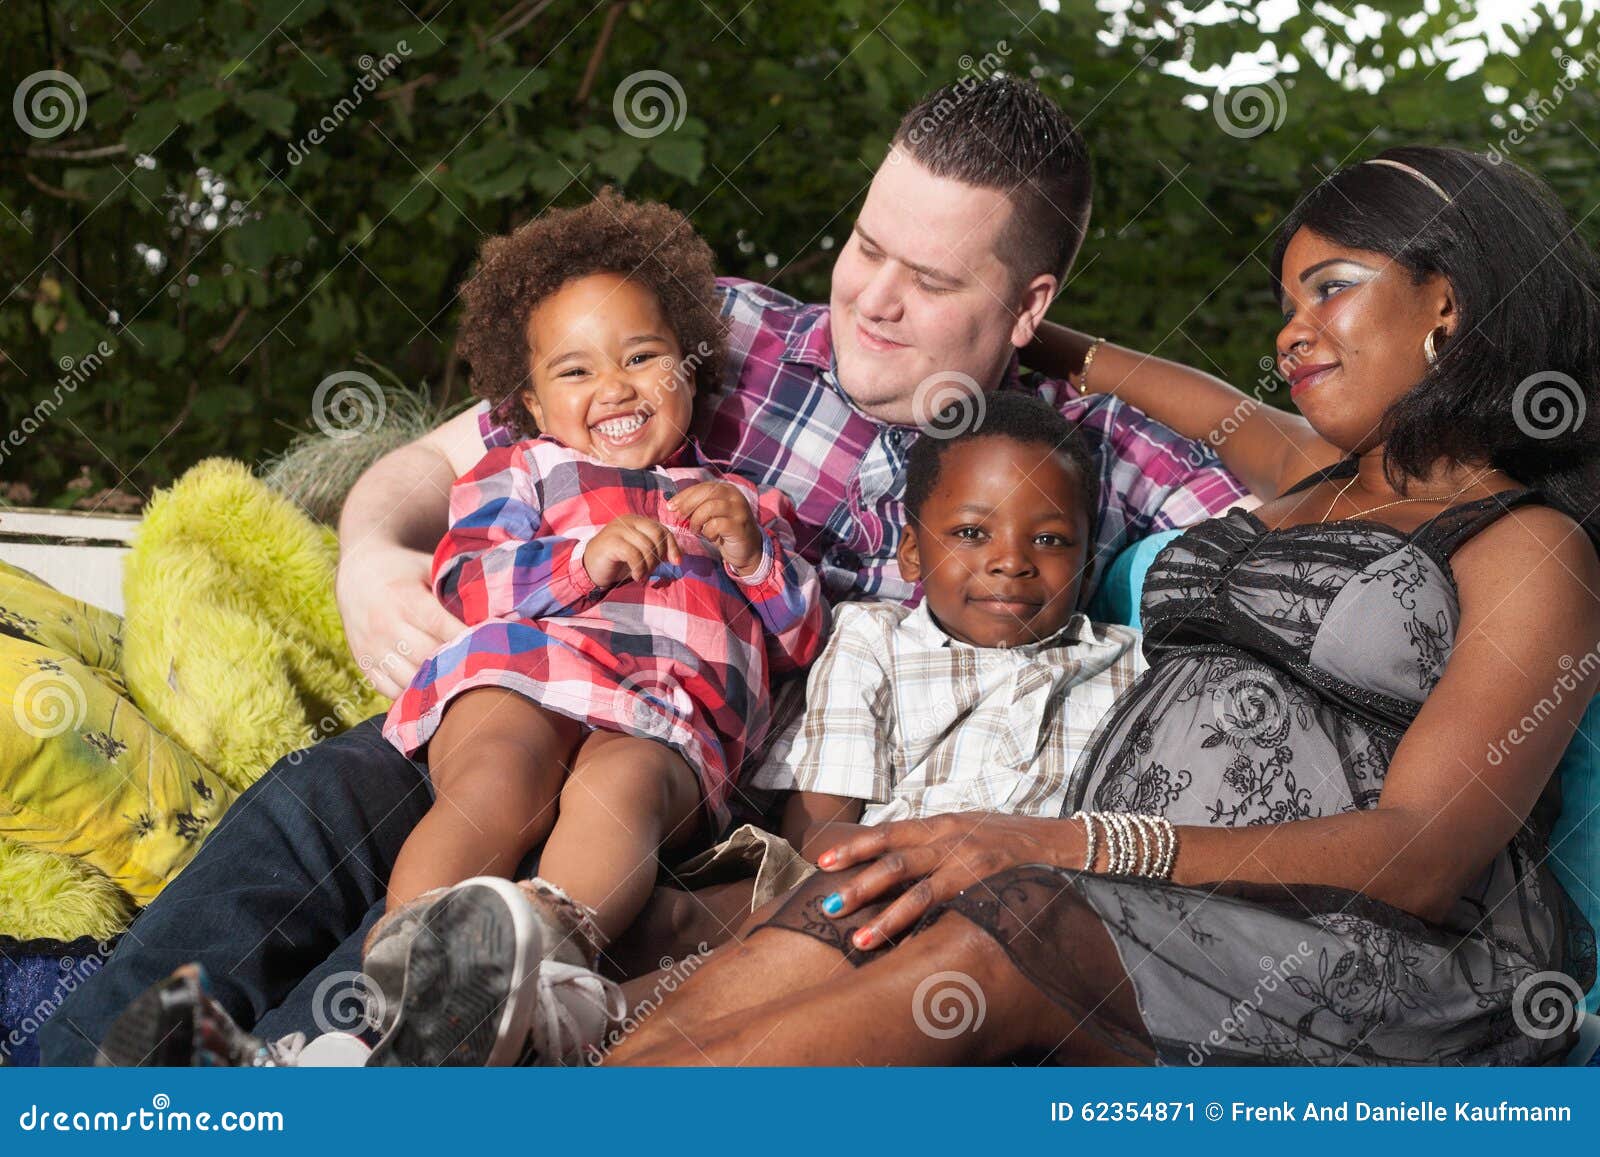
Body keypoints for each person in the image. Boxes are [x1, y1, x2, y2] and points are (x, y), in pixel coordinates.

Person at [42, 77, 1248, 1065]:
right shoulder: (717, 330)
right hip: (520, 682)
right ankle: (66, 1089)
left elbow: (1318, 513)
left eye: (933, 281)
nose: (870, 300)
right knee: (328, 803)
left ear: (1028, 302)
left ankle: (329, 1077)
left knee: (501, 904)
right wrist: (372, 551)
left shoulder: (1073, 449)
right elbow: (438, 457)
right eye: (866, 245)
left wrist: (1086, 355)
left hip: (686, 789)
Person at [595, 146, 1600, 1066]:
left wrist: (1059, 841)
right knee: (861, 895)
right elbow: (1165, 387)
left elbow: (1423, 851)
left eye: (1331, 289)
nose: (1292, 333)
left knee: (1001, 921)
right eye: (1284, 303)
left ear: (1448, 302)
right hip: (1135, 906)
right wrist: (986, 313)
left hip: (1369, 959)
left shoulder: (1526, 544)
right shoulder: (1307, 470)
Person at [768, 392, 1145, 861]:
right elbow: (820, 831)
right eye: (971, 533)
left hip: (1058, 901)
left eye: (1049, 539)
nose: (1010, 562)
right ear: (911, 554)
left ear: (1087, 566)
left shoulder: (1135, 664)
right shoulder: (873, 641)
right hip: (886, 885)